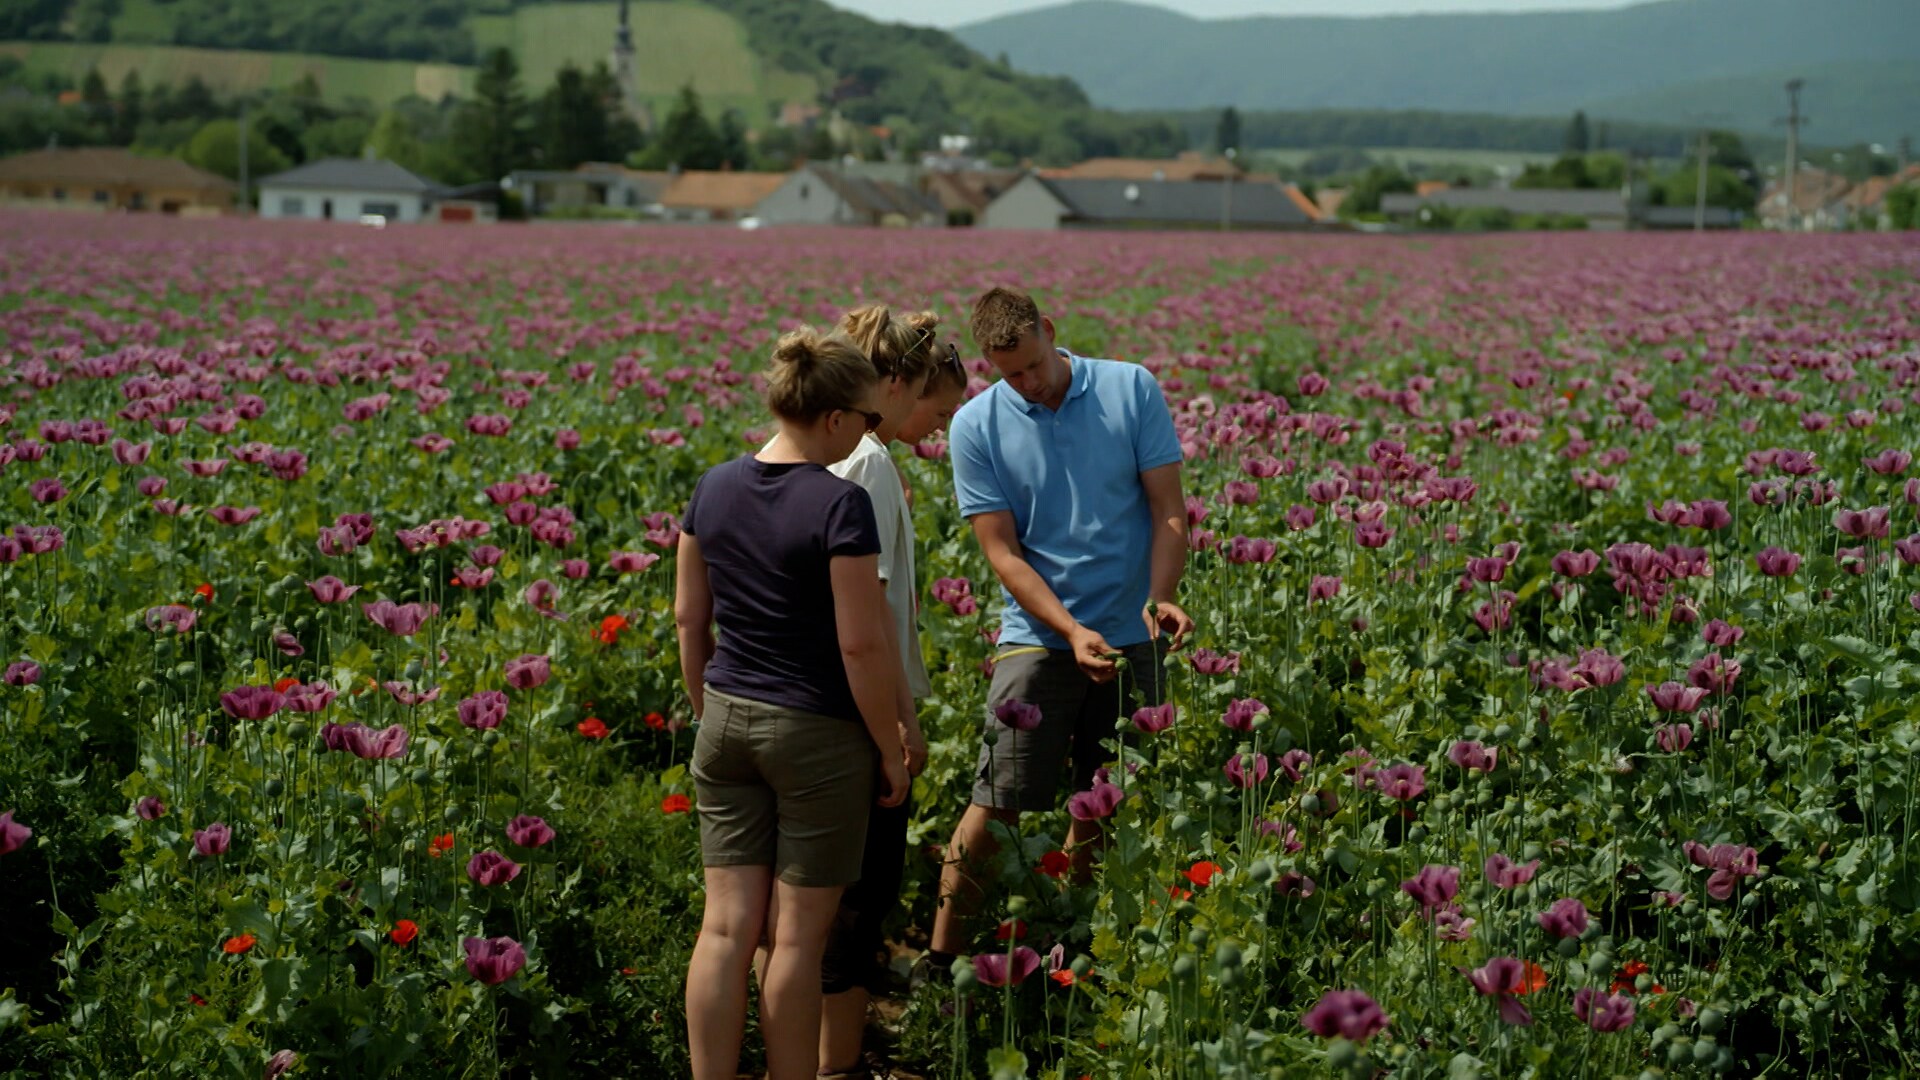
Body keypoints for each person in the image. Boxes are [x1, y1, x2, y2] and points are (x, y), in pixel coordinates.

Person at [926, 286, 1195, 967]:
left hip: (1134, 630)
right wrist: (1070, 630)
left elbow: (1168, 510)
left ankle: (1074, 941)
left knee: (1102, 802)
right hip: (1038, 635)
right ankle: (941, 957)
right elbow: (1001, 553)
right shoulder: (976, 425)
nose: (1028, 384)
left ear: (1050, 331)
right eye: (1009, 373)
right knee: (998, 798)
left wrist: (1160, 597)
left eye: (1033, 366)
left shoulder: (1130, 389)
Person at [675, 326, 912, 1080]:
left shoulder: (712, 487)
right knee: (798, 942)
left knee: (724, 930)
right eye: (869, 419)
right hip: (816, 734)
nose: (870, 432)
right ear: (837, 420)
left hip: (726, 718)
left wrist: (705, 705)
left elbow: (689, 619)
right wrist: (888, 745)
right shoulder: (841, 506)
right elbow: (862, 646)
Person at [812, 308, 971, 1079]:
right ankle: (838, 1064)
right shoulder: (869, 461)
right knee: (855, 904)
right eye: (937, 413)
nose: (939, 430)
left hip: (806, 697)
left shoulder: (826, 446)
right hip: (858, 707)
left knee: (808, 907)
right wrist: (897, 730)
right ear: (898, 386)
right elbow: (869, 611)